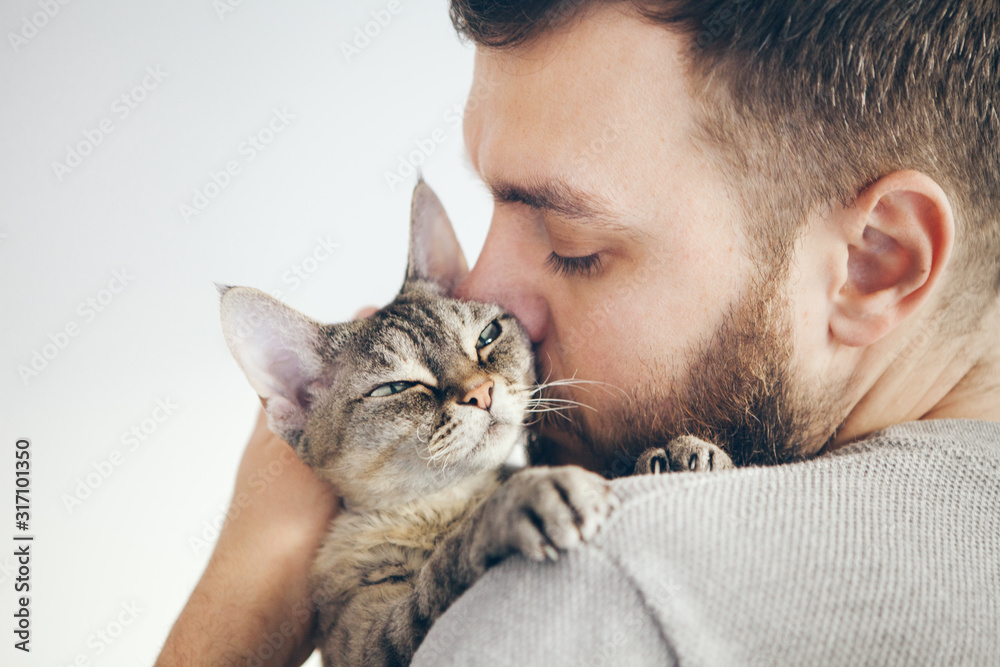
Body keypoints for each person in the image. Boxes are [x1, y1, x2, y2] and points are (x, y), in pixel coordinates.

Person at [157, 1, 1000, 664]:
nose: (483, 295)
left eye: (573, 245)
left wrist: (241, 605)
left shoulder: (591, 584)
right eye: (493, 206)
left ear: (876, 261)